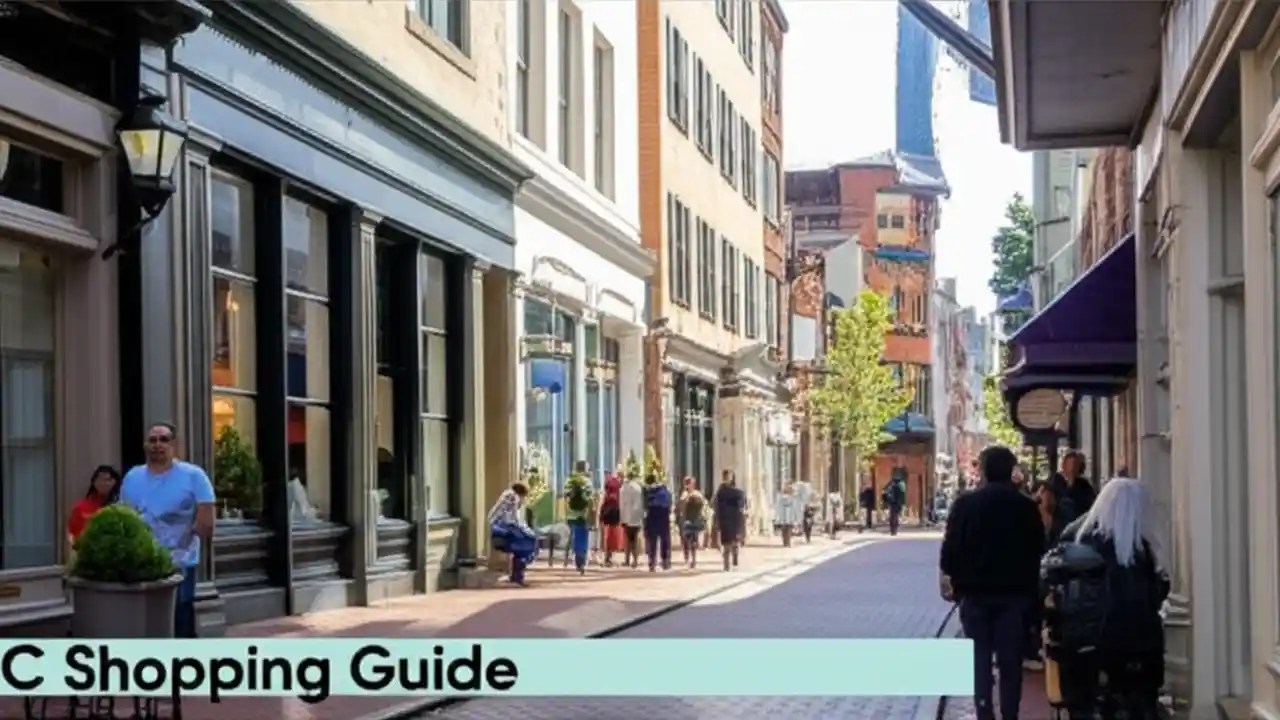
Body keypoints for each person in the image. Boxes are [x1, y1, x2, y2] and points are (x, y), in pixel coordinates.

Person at [1047, 477, 1168, 720]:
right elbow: (1148, 599)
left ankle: (990, 709)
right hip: (1130, 648)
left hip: (1083, 643)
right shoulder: (1138, 552)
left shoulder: (1077, 539)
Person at [940, 446, 1046, 720]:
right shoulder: (1025, 506)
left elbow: (951, 548)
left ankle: (984, 711)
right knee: (1011, 660)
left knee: (979, 657)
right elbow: (1038, 549)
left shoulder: (965, 505)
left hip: (975, 595)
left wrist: (949, 579)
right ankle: (1010, 713)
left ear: (984, 470)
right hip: (1014, 596)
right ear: (1011, 470)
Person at [120, 423, 215, 639]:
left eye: (164, 440)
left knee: (179, 617)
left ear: (174, 445)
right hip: (142, 561)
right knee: (147, 621)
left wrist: (182, 540)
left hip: (179, 562)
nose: (157, 445)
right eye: (152, 440)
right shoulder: (132, 477)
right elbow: (124, 517)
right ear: (145, 445)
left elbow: (206, 522)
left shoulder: (194, 476)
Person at [488, 481, 536, 586]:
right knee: (526, 545)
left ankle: (516, 576)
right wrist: (528, 532)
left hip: (498, 527)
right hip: (503, 529)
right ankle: (518, 577)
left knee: (521, 548)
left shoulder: (507, 494)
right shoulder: (513, 497)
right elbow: (514, 519)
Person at [67, 465, 121, 544]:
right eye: (100, 479)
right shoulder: (81, 507)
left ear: (114, 482)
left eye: (108, 480)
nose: (104, 483)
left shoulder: (120, 507)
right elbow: (72, 535)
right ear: (94, 482)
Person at [563, 461, 595, 574]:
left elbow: (565, 496)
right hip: (583, 514)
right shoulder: (587, 482)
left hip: (571, 514)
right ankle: (581, 560)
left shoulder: (569, 481)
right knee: (583, 537)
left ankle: (576, 558)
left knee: (574, 535)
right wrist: (592, 514)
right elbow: (590, 499)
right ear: (585, 469)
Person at [714, 471, 746, 570]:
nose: (728, 479)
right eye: (726, 477)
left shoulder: (737, 492)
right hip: (725, 518)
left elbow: (742, 503)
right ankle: (726, 564)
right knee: (726, 543)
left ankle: (735, 557)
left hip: (735, 518)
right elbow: (716, 505)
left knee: (735, 541)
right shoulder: (721, 491)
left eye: (729, 477)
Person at [642, 470, 673, 572]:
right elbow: (669, 505)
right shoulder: (666, 492)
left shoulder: (648, 493)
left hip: (652, 516)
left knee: (652, 541)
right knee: (664, 540)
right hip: (663, 517)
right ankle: (665, 561)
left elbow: (645, 506)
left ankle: (652, 562)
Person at [676, 477, 707, 568]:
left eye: (689, 483)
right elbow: (680, 507)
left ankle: (693, 559)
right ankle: (687, 557)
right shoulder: (683, 495)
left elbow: (703, 506)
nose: (687, 485)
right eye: (686, 483)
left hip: (694, 520)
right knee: (685, 541)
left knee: (693, 541)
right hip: (685, 521)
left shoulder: (698, 494)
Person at [620, 466, 645, 568]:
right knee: (635, 539)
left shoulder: (623, 488)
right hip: (636, 517)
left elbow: (621, 504)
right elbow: (639, 504)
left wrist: (622, 517)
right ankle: (634, 560)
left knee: (627, 539)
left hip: (626, 517)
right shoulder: (638, 488)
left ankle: (627, 560)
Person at [1060, 450, 1096, 519]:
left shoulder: (1085, 486)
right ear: (1064, 466)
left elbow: (1090, 504)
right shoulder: (1057, 483)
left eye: (1075, 465)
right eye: (1070, 465)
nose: (1072, 468)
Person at [599, 472, 625, 567]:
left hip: (607, 511)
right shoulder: (618, 486)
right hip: (615, 511)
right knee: (613, 535)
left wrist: (600, 513)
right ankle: (609, 556)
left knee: (606, 535)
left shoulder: (609, 486)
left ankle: (607, 556)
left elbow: (604, 499)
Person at [774, 483, 799, 548]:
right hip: (787, 515)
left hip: (787, 515)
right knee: (787, 529)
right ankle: (787, 542)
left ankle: (786, 542)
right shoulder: (790, 497)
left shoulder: (784, 497)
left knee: (786, 529)